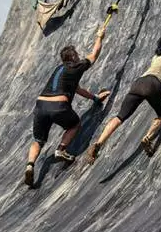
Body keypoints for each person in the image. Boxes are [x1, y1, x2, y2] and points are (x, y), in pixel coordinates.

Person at [87, 24, 161, 160]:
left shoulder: (156, 56)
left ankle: (98, 143)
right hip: (153, 85)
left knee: (120, 117)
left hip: (138, 84)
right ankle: (147, 138)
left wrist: (160, 96)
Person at [24, 28, 110, 187]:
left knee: (38, 140)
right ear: (72, 57)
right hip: (58, 106)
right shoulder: (75, 66)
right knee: (74, 124)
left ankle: (30, 165)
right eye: (76, 54)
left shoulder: (59, 70)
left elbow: (77, 89)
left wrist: (95, 98)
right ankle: (61, 149)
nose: (78, 56)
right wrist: (100, 37)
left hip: (41, 105)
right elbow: (94, 55)